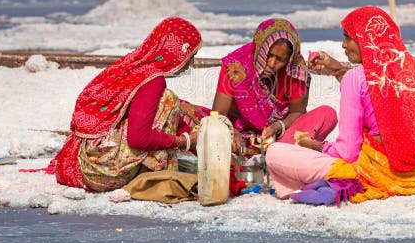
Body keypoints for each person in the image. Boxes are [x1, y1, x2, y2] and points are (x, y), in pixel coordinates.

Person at [265, 6, 415, 204]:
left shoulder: (354, 78)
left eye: (347, 37)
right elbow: (375, 91)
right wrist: (337, 69)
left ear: (365, 40)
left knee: (275, 153)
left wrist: (318, 146)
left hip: (380, 169)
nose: (343, 45)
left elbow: (348, 152)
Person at [47, 17, 209, 192]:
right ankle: (157, 175)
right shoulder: (153, 80)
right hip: (101, 173)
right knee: (168, 100)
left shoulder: (131, 66)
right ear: (177, 52)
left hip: (80, 161)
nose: (190, 64)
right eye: (190, 56)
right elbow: (138, 138)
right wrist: (182, 141)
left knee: (170, 105)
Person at [212, 17, 336, 153]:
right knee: (206, 125)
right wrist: (230, 131)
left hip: (279, 136)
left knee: (327, 114)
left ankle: (277, 153)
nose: (271, 64)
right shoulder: (236, 64)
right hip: (239, 131)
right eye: (268, 55)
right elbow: (218, 114)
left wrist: (278, 126)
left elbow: (297, 112)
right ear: (259, 48)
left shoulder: (295, 72)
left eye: (280, 60)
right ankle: (281, 155)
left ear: (289, 59)